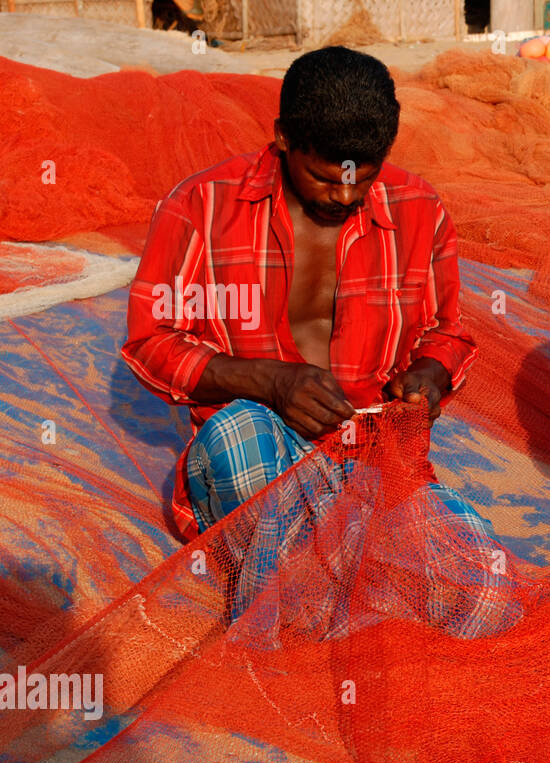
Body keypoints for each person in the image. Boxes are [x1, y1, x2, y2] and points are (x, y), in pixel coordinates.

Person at [122, 46, 511, 635]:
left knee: (486, 592)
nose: (346, 198)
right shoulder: (200, 206)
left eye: (364, 179)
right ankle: (345, 587)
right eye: (325, 178)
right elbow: (151, 340)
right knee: (237, 435)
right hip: (262, 460)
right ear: (282, 139)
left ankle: (323, 585)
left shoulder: (419, 208)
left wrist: (429, 374)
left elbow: (446, 332)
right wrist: (269, 383)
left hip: (375, 464)